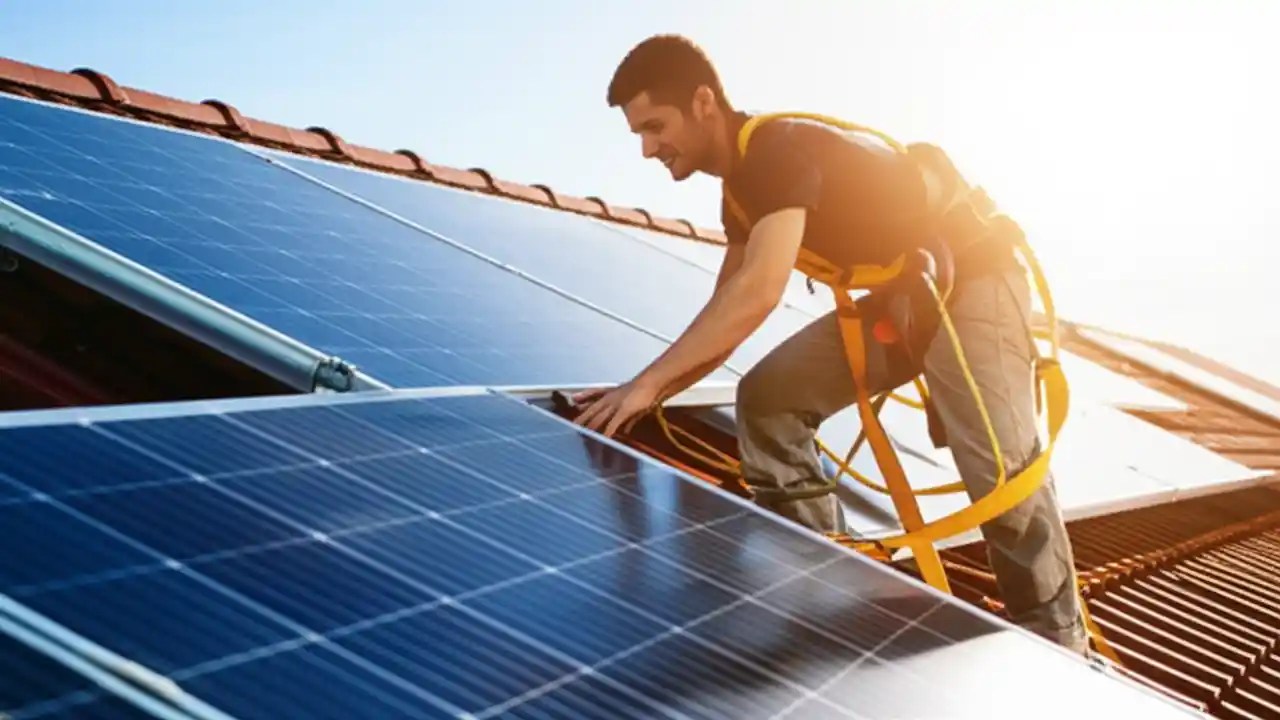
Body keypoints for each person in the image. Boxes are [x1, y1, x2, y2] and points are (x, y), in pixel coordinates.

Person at [571, 33, 1087, 655]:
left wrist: (647, 385)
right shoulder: (739, 194)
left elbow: (759, 291)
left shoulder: (773, 150)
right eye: (638, 135)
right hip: (909, 300)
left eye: (655, 127)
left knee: (996, 459)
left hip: (975, 277)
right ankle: (832, 573)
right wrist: (645, 393)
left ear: (703, 102)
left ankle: (1058, 640)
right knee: (768, 401)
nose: (648, 149)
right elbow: (723, 313)